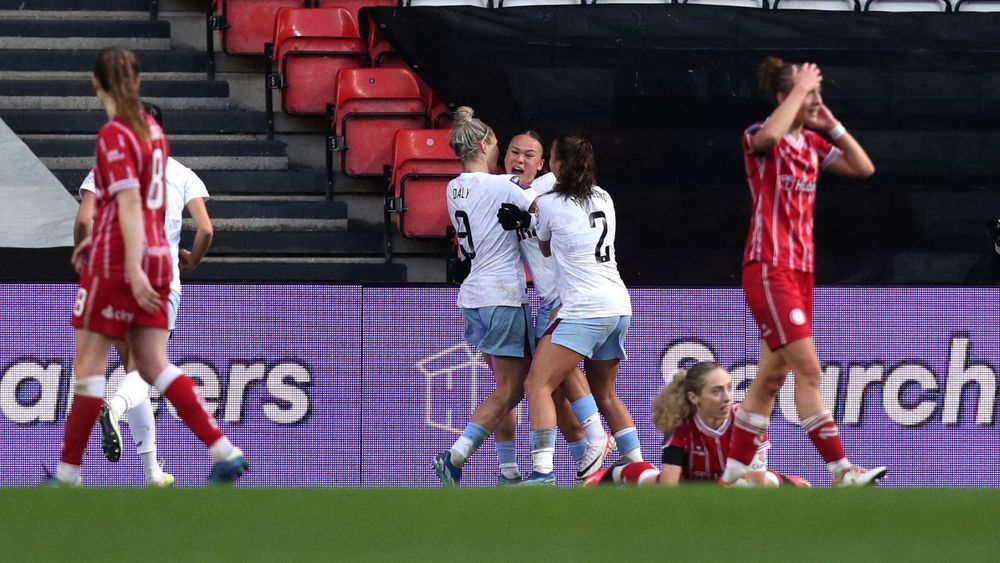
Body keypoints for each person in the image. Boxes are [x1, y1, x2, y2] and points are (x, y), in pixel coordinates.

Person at [49, 47, 245, 486]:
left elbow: (121, 207)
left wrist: (115, 259)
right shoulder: (157, 137)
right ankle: (217, 451)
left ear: (96, 84)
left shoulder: (116, 136)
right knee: (152, 365)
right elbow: (202, 226)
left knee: (93, 365)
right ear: (137, 82)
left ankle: (69, 473)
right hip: (163, 261)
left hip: (123, 260)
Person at [721, 57, 883, 487]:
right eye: (805, 93)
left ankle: (734, 475)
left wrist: (830, 122)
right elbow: (772, 132)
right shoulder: (760, 135)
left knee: (771, 376)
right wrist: (799, 91)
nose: (812, 100)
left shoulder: (812, 144)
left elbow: (863, 168)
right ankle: (842, 472)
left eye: (816, 93)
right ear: (783, 97)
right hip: (769, 267)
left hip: (801, 271)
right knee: (809, 371)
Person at [73, 102, 214, 487]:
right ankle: (114, 407)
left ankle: (152, 472)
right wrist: (194, 260)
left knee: (135, 367)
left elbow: (84, 219)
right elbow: (206, 230)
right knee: (145, 370)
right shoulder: (181, 173)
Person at [518, 135, 639, 486]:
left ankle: (543, 472)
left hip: (583, 308)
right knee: (607, 393)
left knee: (537, 383)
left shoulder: (549, 203)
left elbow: (543, 248)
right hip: (618, 305)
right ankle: (641, 470)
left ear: (555, 165)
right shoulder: (604, 196)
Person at [497, 132, 615, 483]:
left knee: (541, 382)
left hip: (569, 297)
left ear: (546, 163)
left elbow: (547, 213)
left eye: (530, 154)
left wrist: (528, 213)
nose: (521, 159)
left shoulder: (551, 188)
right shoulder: (500, 189)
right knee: (556, 384)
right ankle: (589, 461)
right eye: (514, 152)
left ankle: (585, 445)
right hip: (547, 298)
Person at [432, 107, 537, 486]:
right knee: (515, 387)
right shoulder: (502, 187)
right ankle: (455, 455)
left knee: (503, 390)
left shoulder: (452, 187)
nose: (499, 152)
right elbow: (543, 215)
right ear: (482, 144)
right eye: (495, 144)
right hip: (503, 296)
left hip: (473, 297)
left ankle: (508, 470)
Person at [586, 362, 810, 487]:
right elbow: (670, 488)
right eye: (716, 391)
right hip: (692, 481)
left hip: (735, 481)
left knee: (761, 487)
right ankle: (617, 471)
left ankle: (793, 483)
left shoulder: (747, 421)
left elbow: (757, 483)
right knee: (656, 484)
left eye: (729, 388)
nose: (727, 397)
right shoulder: (682, 424)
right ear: (694, 398)